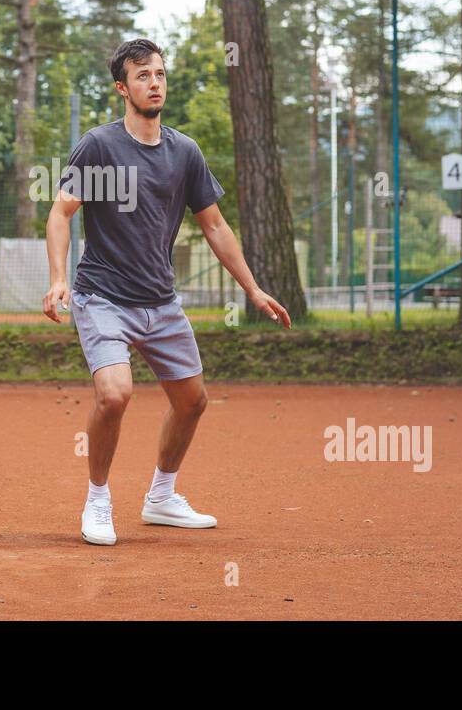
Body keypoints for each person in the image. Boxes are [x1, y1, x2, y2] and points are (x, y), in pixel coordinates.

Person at [43, 38, 291, 546]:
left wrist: (253, 289)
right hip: (103, 297)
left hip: (160, 301)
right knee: (115, 395)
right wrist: (58, 279)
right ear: (122, 87)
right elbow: (60, 213)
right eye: (142, 76)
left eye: (158, 74)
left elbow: (217, 227)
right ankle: (97, 501)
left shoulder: (185, 153)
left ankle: (161, 497)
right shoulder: (99, 146)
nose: (154, 83)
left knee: (193, 402)